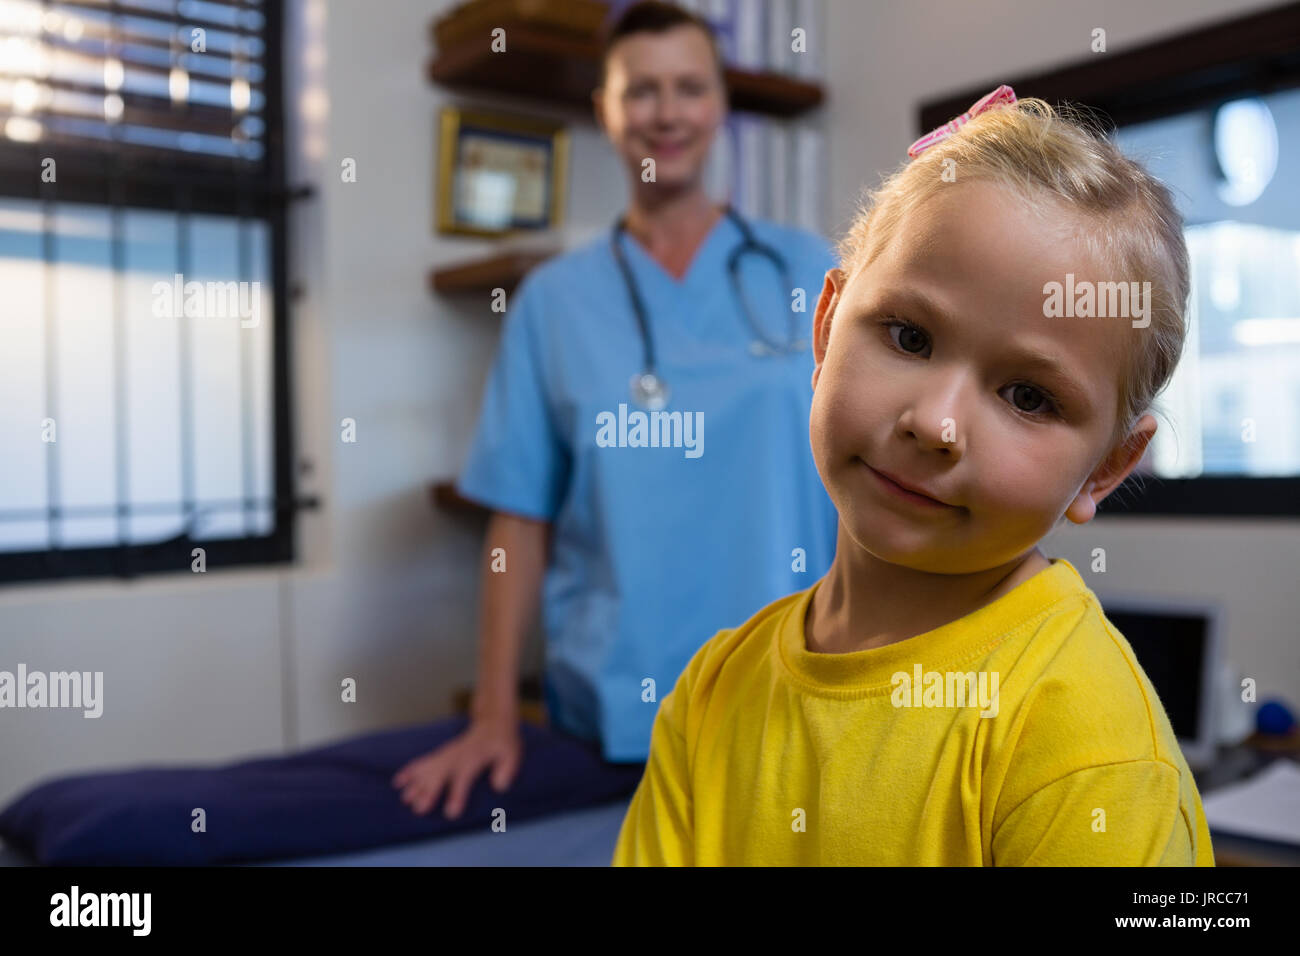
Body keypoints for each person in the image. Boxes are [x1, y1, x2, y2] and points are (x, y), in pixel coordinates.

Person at [612, 90, 1217, 865]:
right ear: (827, 328)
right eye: (909, 336)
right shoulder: (712, 691)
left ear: (1106, 467)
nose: (935, 423)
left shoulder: (1086, 746)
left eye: (1028, 396)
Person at [392, 0, 838, 825]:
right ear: (603, 108)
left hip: (795, 694)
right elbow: (516, 523)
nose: (665, 113)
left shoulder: (814, 271)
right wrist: (493, 716)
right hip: (615, 716)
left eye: (689, 87)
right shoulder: (553, 302)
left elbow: (872, 478)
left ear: (720, 106)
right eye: (640, 91)